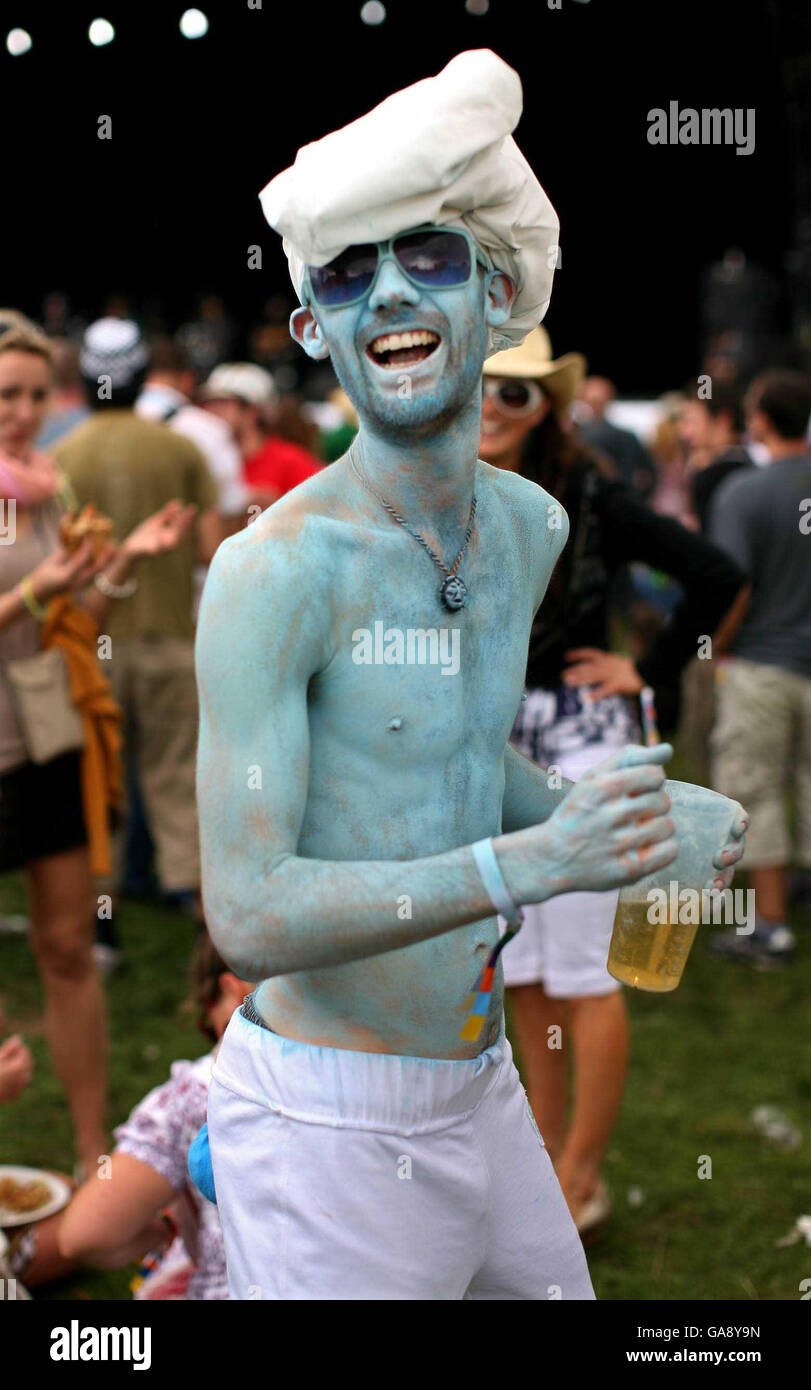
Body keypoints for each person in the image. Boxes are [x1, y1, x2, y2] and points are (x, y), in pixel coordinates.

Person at [196, 50, 746, 1301]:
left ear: (496, 291)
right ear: (311, 327)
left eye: (427, 256)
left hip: (483, 1078)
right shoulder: (271, 572)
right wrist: (525, 868)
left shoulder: (529, 529)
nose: (387, 292)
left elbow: (447, 756)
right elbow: (248, 912)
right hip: (332, 1118)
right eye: (347, 273)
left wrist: (625, 821)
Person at [477, 326, 747, 1233]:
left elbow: (713, 572)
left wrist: (651, 666)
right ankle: (543, 1163)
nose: (489, 404)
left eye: (514, 391)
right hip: (492, 747)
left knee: (587, 972)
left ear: (545, 404)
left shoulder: (588, 486)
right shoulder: (442, 490)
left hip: (588, 742)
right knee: (523, 972)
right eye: (479, 384)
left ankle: (581, 1176)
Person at [0, 312, 196, 1174]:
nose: (24, 410)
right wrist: (32, 592)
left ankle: (89, 1155)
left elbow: (73, 627)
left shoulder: (49, 488)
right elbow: (35, 604)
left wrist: (119, 569)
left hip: (45, 740)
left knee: (71, 951)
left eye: (38, 393)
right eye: (7, 393)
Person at [53, 319, 221, 920]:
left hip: (91, 644)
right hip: (173, 638)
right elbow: (208, 550)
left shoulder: (61, 457)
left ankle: (103, 922)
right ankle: (204, 928)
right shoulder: (179, 449)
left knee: (103, 785)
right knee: (177, 780)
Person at [58, 936, 252, 1300]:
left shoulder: (188, 1096)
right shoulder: (374, 1072)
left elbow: (85, 1236)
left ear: (232, 989)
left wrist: (166, 1229)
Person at [708, 369, 811, 965]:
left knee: (757, 791)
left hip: (762, 666)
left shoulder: (743, 492)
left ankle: (771, 926)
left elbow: (733, 585)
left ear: (763, 421)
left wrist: (716, 647)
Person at [198, 362, 321, 508]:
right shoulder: (204, 458)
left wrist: (279, 505)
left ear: (252, 411)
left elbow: (323, 512)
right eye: (209, 403)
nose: (212, 411)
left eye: (222, 404)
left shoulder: (291, 461)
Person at [678, 382, 753, 532]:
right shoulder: (751, 467)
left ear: (723, 420)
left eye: (692, 421)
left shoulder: (712, 478)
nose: (684, 432)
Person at [578, 376, 656, 499]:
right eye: (593, 401)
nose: (595, 406)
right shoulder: (576, 436)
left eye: (598, 401)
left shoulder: (627, 438)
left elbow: (649, 475)